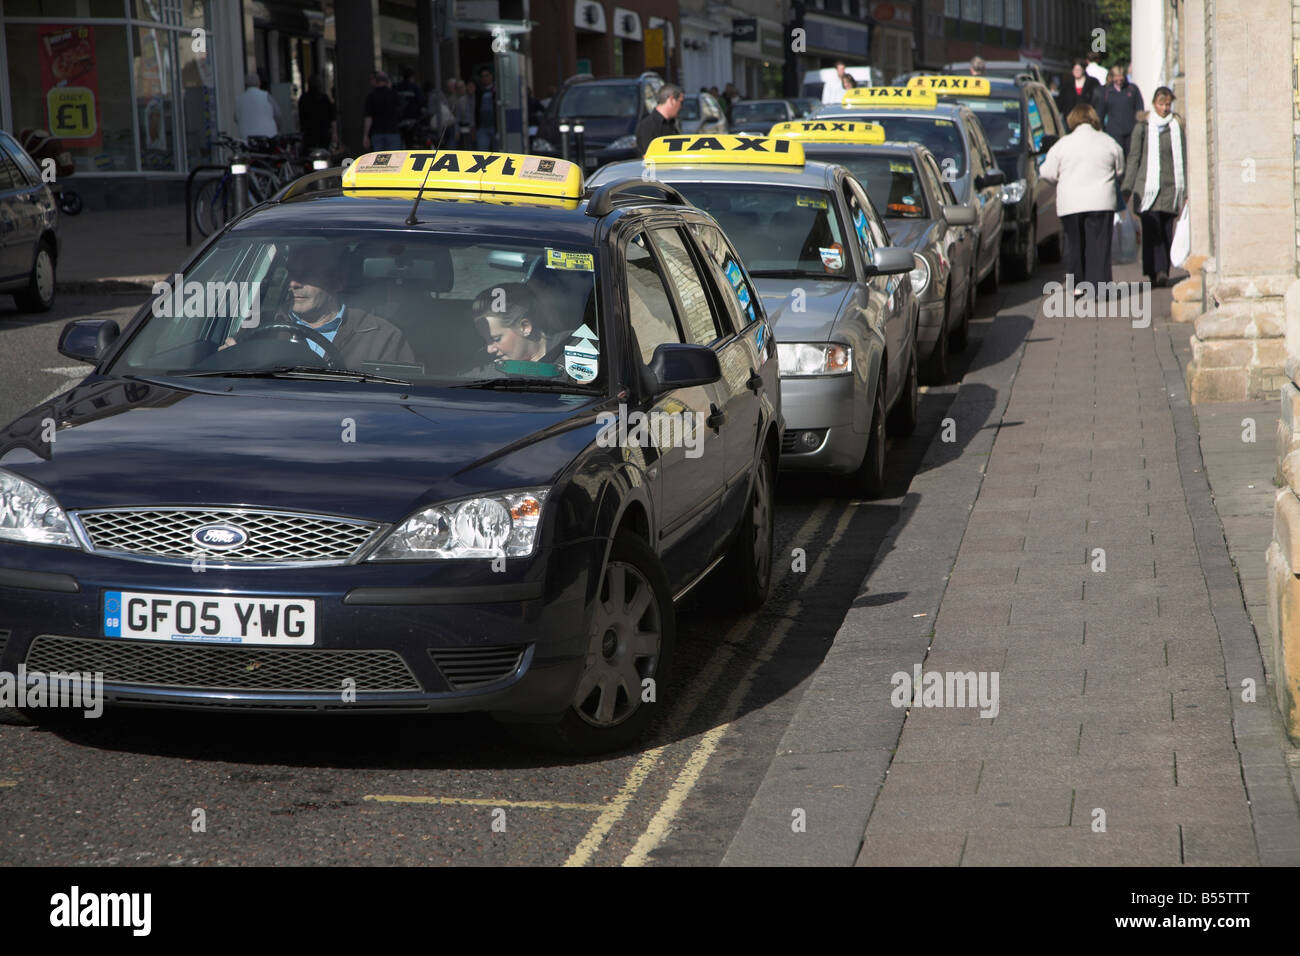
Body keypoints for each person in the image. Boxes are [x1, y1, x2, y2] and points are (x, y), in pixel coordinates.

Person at [221, 246, 414, 366]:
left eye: (305, 275)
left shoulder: (382, 336)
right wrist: (229, 361)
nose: (293, 283)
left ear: (338, 282)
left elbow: (399, 402)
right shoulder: (260, 327)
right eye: (291, 274)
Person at [1039, 103, 1125, 293]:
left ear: (1072, 120)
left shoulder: (1062, 144)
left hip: (1071, 203)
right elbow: (1120, 168)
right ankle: (1100, 286)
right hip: (1101, 201)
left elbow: (1046, 172)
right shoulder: (1107, 141)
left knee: (1075, 244)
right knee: (1099, 245)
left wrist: (1059, 180)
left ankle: (1078, 285)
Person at [1121, 86, 1187, 287]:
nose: (1165, 108)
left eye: (1168, 104)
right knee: (1151, 230)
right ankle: (1152, 270)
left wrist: (1185, 188)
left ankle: (1162, 270)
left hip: (1169, 186)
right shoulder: (1142, 127)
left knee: (1166, 230)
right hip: (1146, 188)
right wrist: (1127, 187)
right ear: (1154, 104)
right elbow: (1134, 158)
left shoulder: (1175, 127)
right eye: (1161, 104)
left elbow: (1183, 157)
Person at [472, 283, 565, 367]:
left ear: (525, 327)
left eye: (497, 339)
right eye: (485, 340)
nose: (489, 349)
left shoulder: (572, 357)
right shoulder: (486, 370)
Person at [1096, 64, 1143, 159]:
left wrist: (1140, 125)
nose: (1119, 79)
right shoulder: (1106, 92)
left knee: (1131, 157)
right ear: (1112, 77)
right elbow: (1100, 112)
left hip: (1131, 131)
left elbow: (1139, 108)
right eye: (1116, 76)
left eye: (1121, 76)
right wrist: (1099, 128)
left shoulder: (1133, 89)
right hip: (1114, 131)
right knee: (1117, 156)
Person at [635, 83, 684, 155]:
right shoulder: (647, 126)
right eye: (681, 102)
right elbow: (647, 157)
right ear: (671, 100)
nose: (681, 107)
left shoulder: (673, 124)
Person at [234, 70, 281, 139]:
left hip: (247, 138)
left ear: (245, 85)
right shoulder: (266, 96)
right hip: (268, 136)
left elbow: (236, 118)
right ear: (259, 83)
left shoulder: (239, 99)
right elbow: (278, 115)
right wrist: (279, 129)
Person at [363, 71, 402, 151]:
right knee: (394, 159)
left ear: (376, 81)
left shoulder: (371, 96)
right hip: (392, 131)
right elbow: (401, 111)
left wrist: (366, 135)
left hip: (376, 132)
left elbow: (368, 118)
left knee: (379, 160)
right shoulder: (394, 94)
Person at [297, 74, 336, 153]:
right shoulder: (324, 98)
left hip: (309, 135)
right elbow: (332, 118)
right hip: (324, 134)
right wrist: (334, 133)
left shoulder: (303, 99)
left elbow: (301, 118)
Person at [476, 69, 498, 150]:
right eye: (482, 76)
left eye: (487, 75)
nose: (485, 78)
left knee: (499, 153)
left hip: (496, 127)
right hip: (482, 127)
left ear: (491, 76)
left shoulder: (497, 89)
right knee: (482, 153)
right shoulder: (478, 91)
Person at [455, 79, 475, 147]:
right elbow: (458, 118)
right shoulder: (461, 101)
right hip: (466, 129)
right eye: (469, 86)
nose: (470, 89)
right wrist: (457, 131)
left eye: (472, 86)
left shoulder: (478, 98)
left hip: (478, 128)